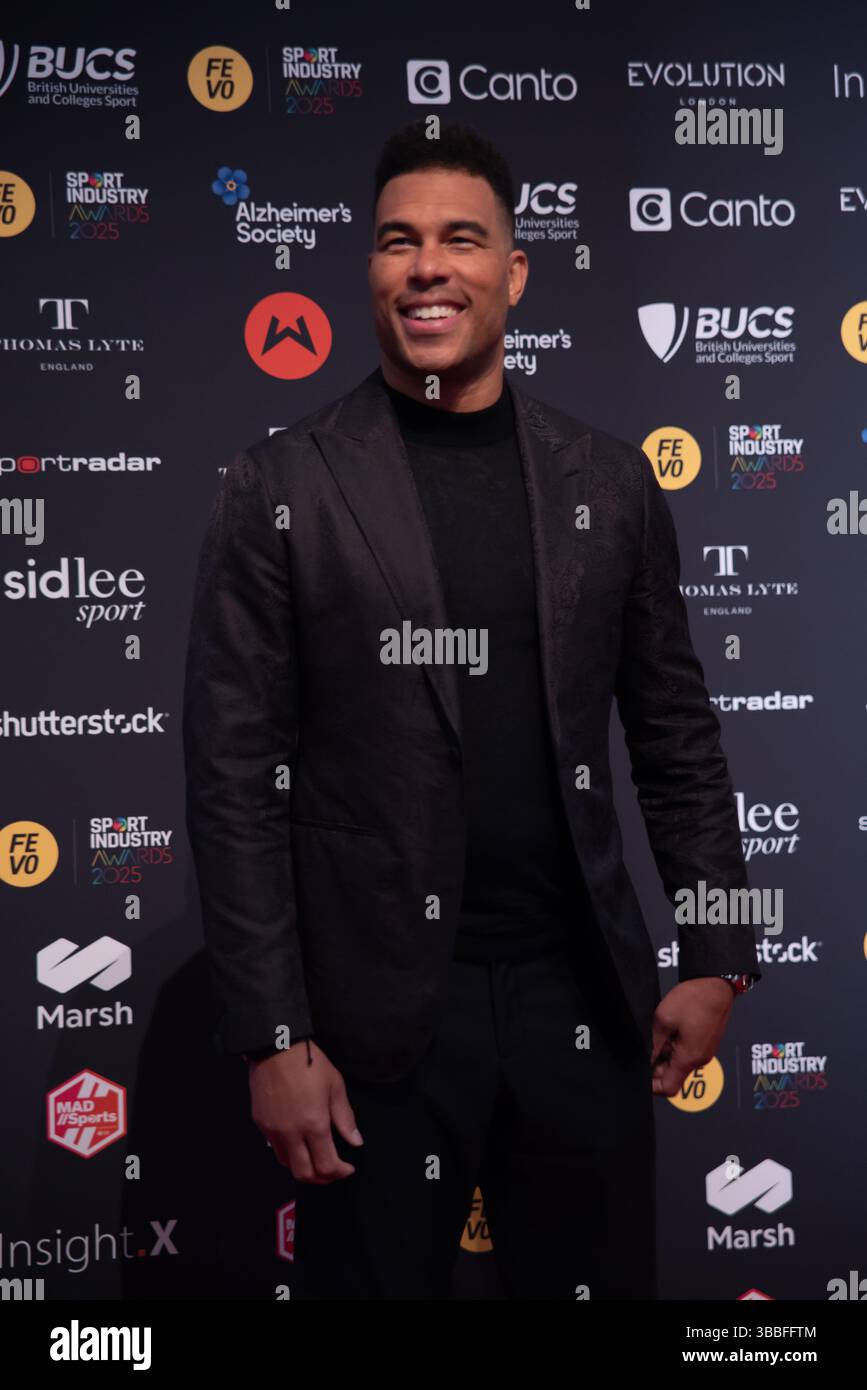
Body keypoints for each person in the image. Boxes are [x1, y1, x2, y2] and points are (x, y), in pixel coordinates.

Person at [182, 120, 760, 1299]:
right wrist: (274, 1036)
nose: (428, 266)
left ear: (515, 272)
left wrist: (716, 949)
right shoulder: (282, 485)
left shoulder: (608, 480)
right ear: (371, 271)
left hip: (580, 1000)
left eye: (461, 239)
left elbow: (675, 729)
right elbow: (234, 775)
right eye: (400, 242)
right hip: (374, 1021)